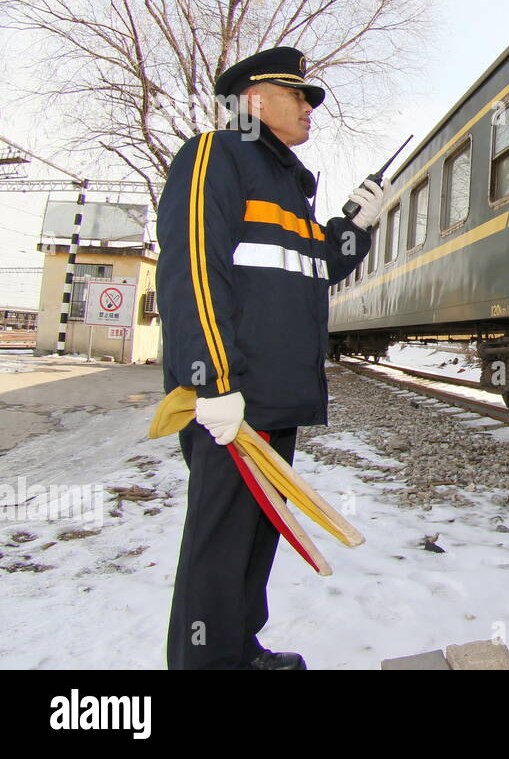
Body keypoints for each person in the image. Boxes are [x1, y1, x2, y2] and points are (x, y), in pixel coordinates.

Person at [156, 46, 388, 669]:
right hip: (234, 396)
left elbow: (317, 261)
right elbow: (194, 271)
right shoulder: (217, 155)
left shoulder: (285, 188)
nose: (312, 107)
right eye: (300, 95)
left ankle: (237, 650)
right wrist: (213, 380)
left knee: (256, 538)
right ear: (254, 101)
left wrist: (357, 224)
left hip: (273, 397)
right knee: (221, 544)